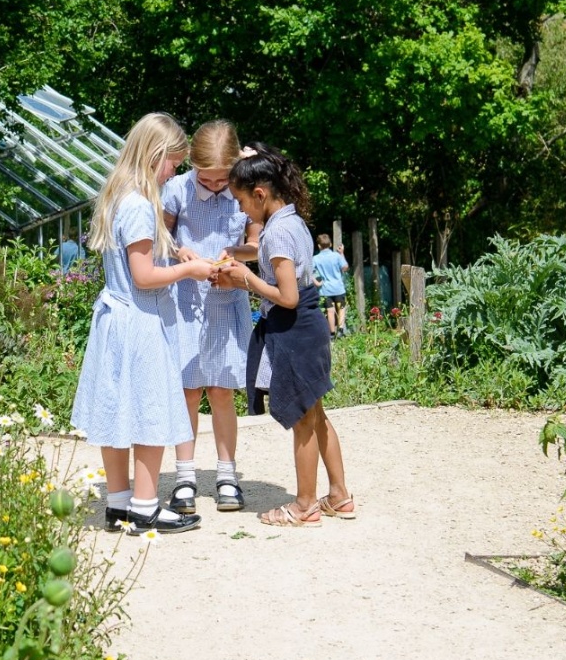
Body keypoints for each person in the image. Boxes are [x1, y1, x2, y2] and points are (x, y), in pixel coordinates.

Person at [71, 113, 215, 536]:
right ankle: (146, 507)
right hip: (140, 321)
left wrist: (178, 251)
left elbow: (141, 257)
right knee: (150, 412)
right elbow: (143, 276)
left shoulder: (119, 194)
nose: (175, 171)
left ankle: (117, 504)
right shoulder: (138, 205)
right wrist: (191, 271)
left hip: (116, 320)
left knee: (117, 411)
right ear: (155, 156)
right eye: (172, 161)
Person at [213, 144, 356, 526]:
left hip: (293, 330)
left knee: (302, 420)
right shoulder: (293, 221)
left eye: (243, 202)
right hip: (310, 328)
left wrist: (245, 281)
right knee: (317, 414)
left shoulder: (275, 234)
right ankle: (339, 495)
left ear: (260, 194)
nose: (242, 210)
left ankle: (305, 505)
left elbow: (287, 296)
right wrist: (240, 262)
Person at [161, 120, 261, 514]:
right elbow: (161, 237)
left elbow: (256, 244)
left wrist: (234, 256)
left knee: (222, 390)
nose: (216, 186)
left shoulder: (243, 192)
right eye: (208, 179)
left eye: (223, 180)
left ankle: (226, 474)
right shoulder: (176, 190)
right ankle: (184, 476)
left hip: (226, 300)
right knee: (187, 391)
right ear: (192, 166)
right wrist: (181, 252)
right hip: (185, 301)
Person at [312, 233, 350, 338]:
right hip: (338, 288)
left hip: (325, 289)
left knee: (330, 310)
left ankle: (332, 333)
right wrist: (342, 253)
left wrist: (316, 282)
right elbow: (345, 268)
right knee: (341, 308)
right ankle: (341, 330)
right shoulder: (336, 256)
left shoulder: (315, 258)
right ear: (331, 244)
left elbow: (309, 271)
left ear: (319, 246)